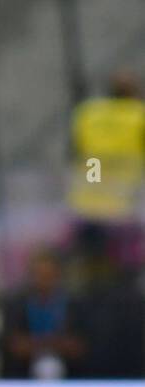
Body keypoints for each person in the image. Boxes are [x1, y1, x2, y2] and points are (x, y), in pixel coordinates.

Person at [67, 71, 145, 285]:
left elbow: (77, 152)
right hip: (124, 204)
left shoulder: (88, 113)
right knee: (126, 268)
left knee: (92, 264)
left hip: (89, 201)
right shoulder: (138, 115)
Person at [3, 249, 85, 380]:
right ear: (31, 276)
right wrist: (55, 344)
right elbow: (15, 346)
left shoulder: (74, 306)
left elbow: (77, 346)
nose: (44, 280)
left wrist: (37, 344)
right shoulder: (17, 305)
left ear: (58, 275)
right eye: (40, 275)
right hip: (24, 371)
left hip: (68, 371)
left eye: (49, 275)